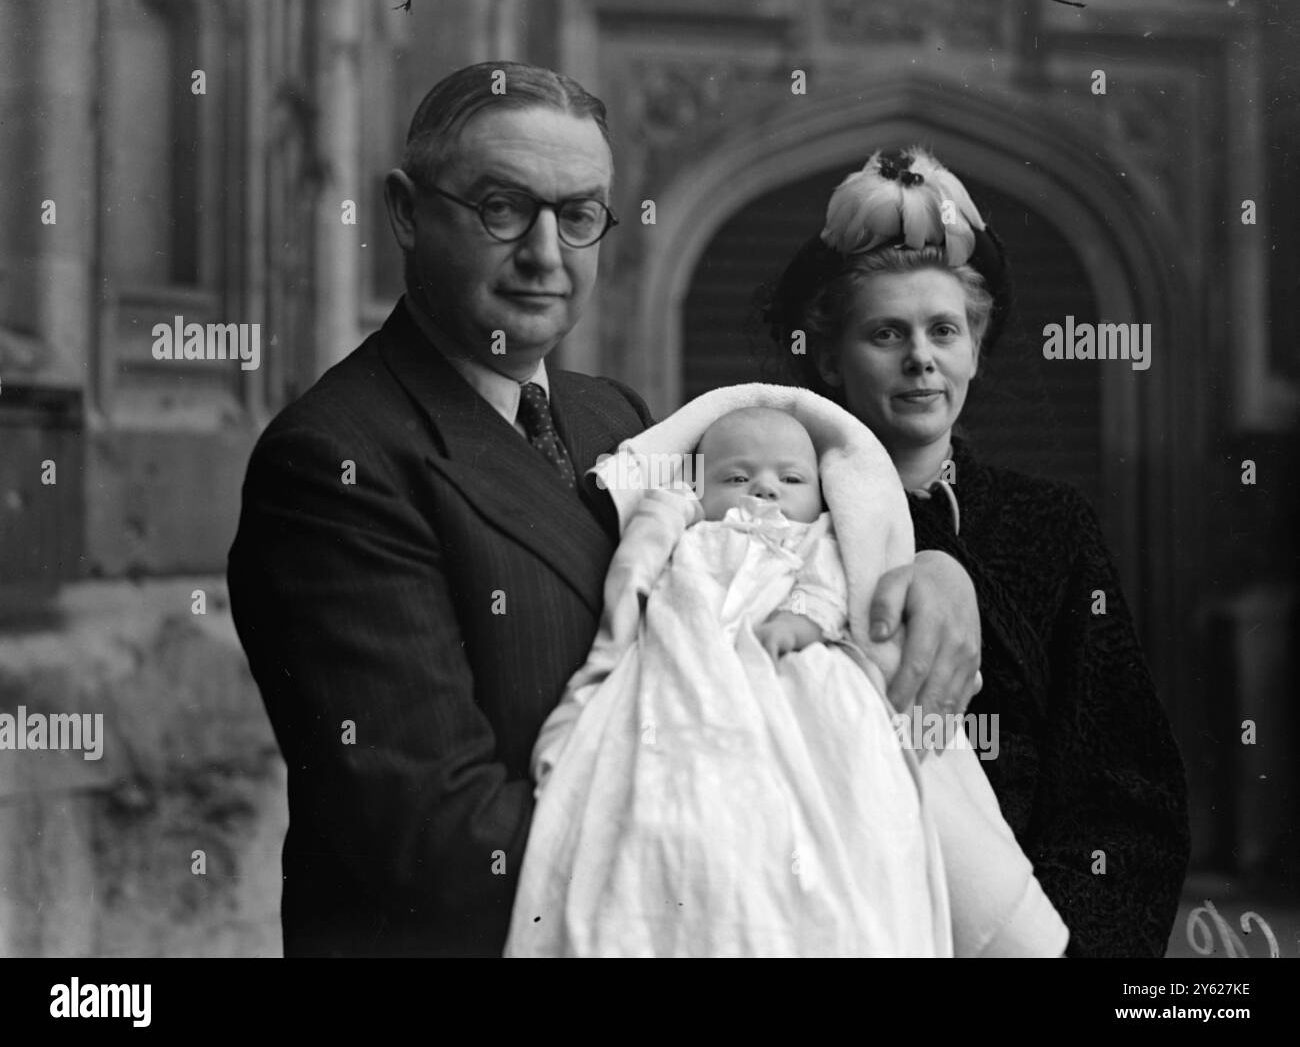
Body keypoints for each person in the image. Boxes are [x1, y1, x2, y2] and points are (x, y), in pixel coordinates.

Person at [227, 62, 985, 957]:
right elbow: (439, 842)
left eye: (579, 215)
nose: (546, 255)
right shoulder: (337, 461)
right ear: (404, 211)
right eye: (501, 208)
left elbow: (771, 569)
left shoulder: (613, 418)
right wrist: (747, 889)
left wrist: (927, 569)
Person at [762, 147, 1191, 957]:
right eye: (886, 332)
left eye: (944, 330)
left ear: (975, 350)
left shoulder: (1051, 526)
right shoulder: (778, 514)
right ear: (826, 356)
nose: (921, 357)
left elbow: (1125, 796)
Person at [504, 401, 1069, 957]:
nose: (764, 489)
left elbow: (833, 590)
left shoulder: (817, 539)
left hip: (799, 680)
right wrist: (668, 507)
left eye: (791, 477)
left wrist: (801, 622)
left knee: (837, 795)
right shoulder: (694, 534)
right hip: (688, 667)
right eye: (736, 476)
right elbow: (636, 570)